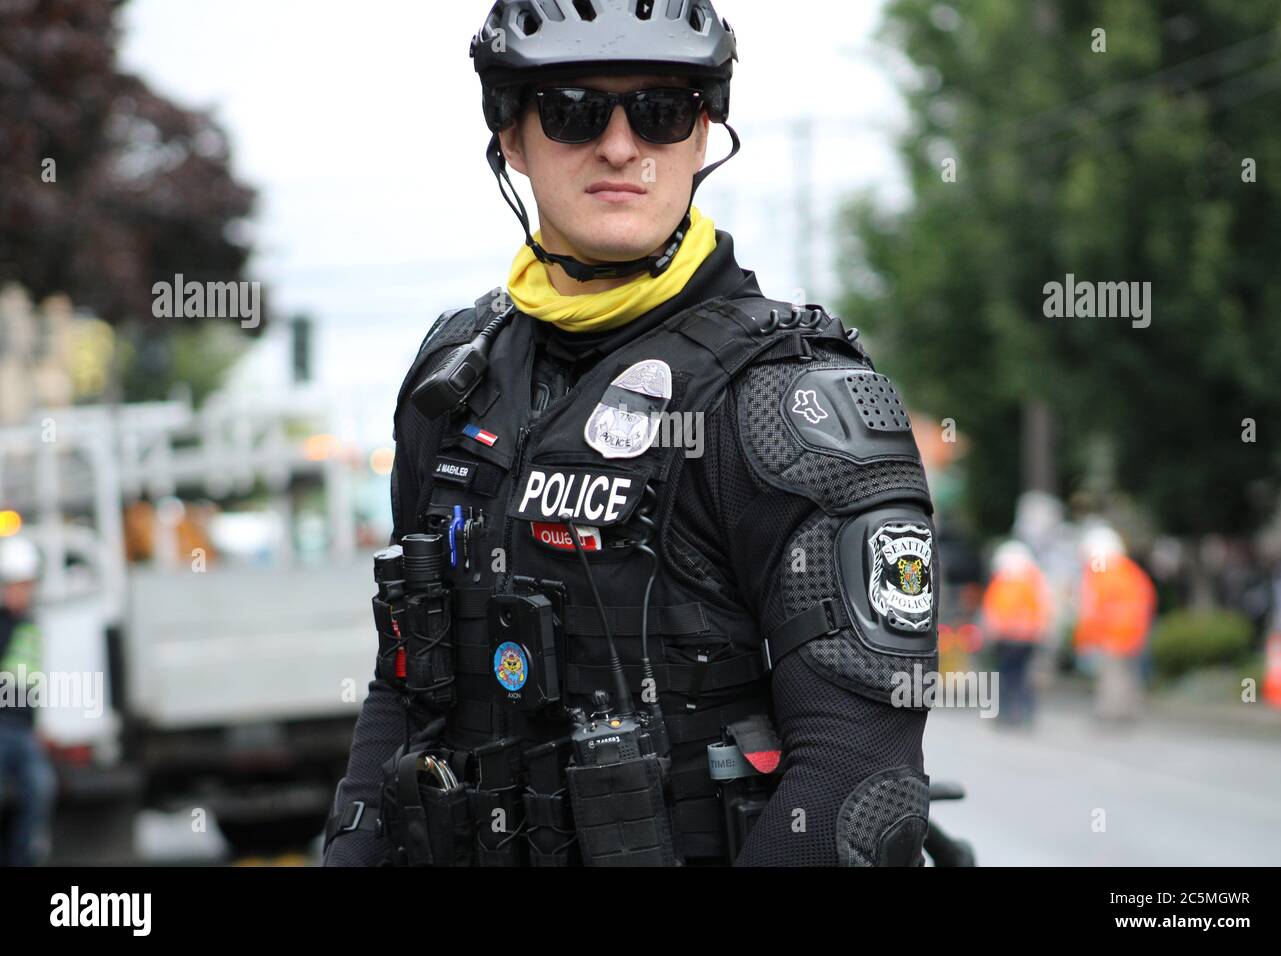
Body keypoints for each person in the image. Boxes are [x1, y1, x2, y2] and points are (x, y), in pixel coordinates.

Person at [323, 0, 941, 867]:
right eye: (573, 110)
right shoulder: (451, 379)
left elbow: (859, 777)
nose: (620, 146)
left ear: (704, 134)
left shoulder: (795, 404)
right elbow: (404, 687)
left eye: (661, 110)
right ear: (511, 137)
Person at [0, 533, 57, 866]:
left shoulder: (29, 627)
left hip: (22, 731)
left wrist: (38, 726)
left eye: (25, 584)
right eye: (15, 584)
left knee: (39, 786)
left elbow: (28, 684)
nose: (22, 592)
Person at [1073, 525, 1156, 722]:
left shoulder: (1103, 574)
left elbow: (1095, 608)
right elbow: (1146, 599)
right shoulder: (1130, 571)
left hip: (1112, 634)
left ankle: (1111, 712)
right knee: (1128, 673)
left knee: (1112, 675)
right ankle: (1127, 710)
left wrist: (1085, 637)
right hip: (1134, 632)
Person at [980, 540, 1051, 727]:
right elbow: (1043, 608)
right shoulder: (1033, 579)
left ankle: (1006, 712)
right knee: (1022, 675)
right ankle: (1022, 712)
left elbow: (992, 609)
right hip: (1025, 637)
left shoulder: (1004, 581)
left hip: (1008, 637)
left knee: (1007, 675)